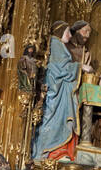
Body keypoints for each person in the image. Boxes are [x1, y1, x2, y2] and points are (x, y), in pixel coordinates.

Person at [32, 21, 90, 162]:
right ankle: (53, 152)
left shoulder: (59, 46)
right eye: (67, 32)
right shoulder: (56, 44)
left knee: (64, 121)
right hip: (56, 92)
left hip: (61, 91)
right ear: (60, 32)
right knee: (57, 120)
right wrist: (80, 67)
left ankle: (59, 151)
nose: (70, 36)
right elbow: (60, 69)